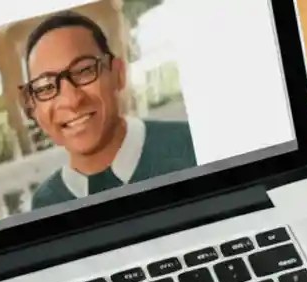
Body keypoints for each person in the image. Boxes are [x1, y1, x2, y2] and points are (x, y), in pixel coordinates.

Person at [21, 12, 198, 210]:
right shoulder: (47, 203)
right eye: (46, 87)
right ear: (34, 108)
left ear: (118, 74)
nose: (72, 100)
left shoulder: (191, 146)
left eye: (84, 71)